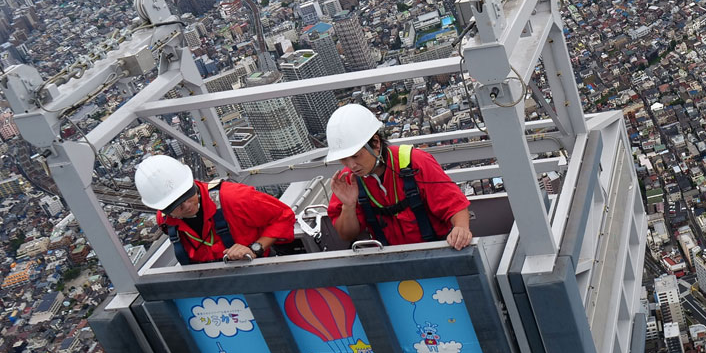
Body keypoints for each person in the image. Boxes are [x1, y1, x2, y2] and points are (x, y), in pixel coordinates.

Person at [325, 104, 472, 249]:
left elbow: (454, 205)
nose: (351, 166)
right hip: (391, 259)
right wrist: (348, 206)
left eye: (356, 156)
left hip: (434, 250)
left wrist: (461, 228)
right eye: (344, 159)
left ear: (376, 143)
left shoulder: (415, 161)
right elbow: (346, 235)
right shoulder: (349, 181)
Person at [135, 155, 297, 265]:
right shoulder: (165, 221)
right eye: (176, 206)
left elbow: (284, 216)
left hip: (259, 268)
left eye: (189, 195)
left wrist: (255, 248)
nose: (188, 206)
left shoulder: (234, 197)